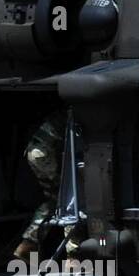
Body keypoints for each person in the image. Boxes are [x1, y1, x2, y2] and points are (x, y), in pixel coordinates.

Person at [13, 109, 84, 263]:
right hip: (46, 153)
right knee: (69, 200)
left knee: (54, 200)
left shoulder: (67, 110)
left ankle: (28, 243)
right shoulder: (81, 109)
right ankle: (73, 256)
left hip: (36, 152)